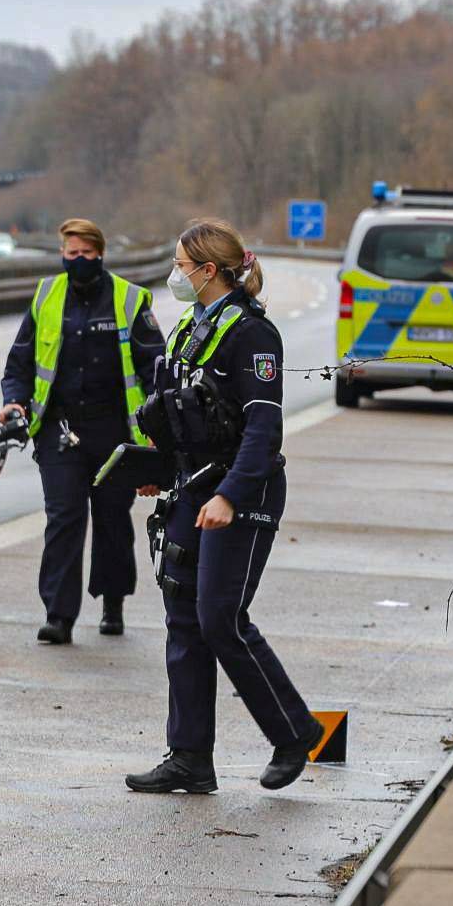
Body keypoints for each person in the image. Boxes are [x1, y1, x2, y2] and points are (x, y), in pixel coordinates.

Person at [125, 219, 319, 794]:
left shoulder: (254, 335)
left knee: (220, 619)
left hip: (243, 492)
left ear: (209, 271)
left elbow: (263, 430)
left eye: (182, 266)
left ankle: (293, 732)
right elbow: (185, 417)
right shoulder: (191, 327)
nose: (175, 276)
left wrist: (230, 496)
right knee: (182, 618)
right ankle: (189, 756)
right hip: (192, 486)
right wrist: (156, 472)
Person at [0, 217, 165, 645]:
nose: (78, 261)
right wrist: (13, 402)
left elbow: (155, 369)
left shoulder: (129, 300)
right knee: (64, 518)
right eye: (70, 254)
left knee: (112, 519)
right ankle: (59, 614)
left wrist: (156, 429)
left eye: (85, 254)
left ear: (100, 254)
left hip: (115, 431)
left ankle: (113, 602)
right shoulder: (46, 296)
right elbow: (19, 362)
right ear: (62, 255)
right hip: (59, 429)